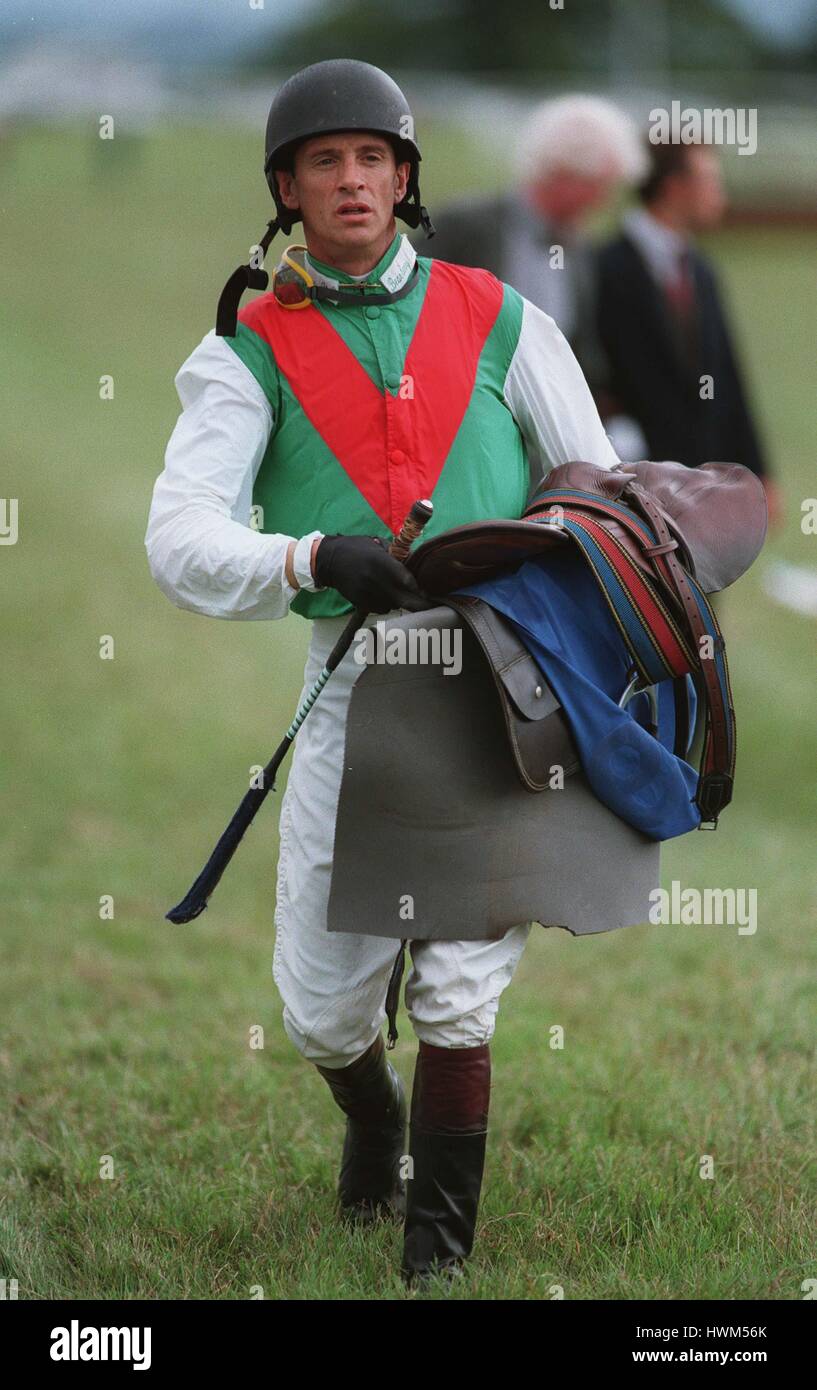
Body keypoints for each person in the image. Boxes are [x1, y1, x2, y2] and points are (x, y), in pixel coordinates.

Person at [145, 59, 621, 1283]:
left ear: (403, 180)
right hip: (353, 679)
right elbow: (179, 540)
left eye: (372, 158)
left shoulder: (506, 317)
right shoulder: (243, 348)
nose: (350, 179)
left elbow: (595, 494)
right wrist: (309, 551)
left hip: (501, 682)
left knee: (460, 992)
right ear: (288, 190)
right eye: (323, 162)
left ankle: (437, 1254)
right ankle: (371, 1116)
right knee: (320, 1007)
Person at [596, 139, 781, 524]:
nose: (720, 195)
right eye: (710, 181)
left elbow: (726, 375)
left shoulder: (701, 270)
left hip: (700, 491)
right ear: (675, 186)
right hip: (628, 492)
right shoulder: (602, 267)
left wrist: (756, 470)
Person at [424, 94, 646, 400]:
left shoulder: (580, 247)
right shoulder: (464, 227)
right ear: (564, 172)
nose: (603, 200)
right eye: (599, 185)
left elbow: (580, 347)